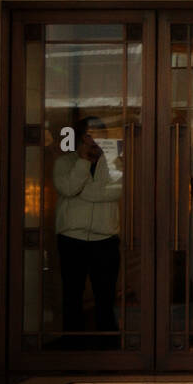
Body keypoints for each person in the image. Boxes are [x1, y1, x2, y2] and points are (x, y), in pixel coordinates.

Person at [52, 116, 122, 340]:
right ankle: (73, 347)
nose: (94, 142)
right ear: (80, 139)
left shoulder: (115, 163)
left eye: (99, 136)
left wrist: (83, 191)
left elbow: (117, 190)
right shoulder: (64, 163)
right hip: (72, 238)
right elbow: (68, 187)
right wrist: (83, 162)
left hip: (105, 238)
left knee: (106, 297)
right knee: (72, 296)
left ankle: (108, 346)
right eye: (89, 137)